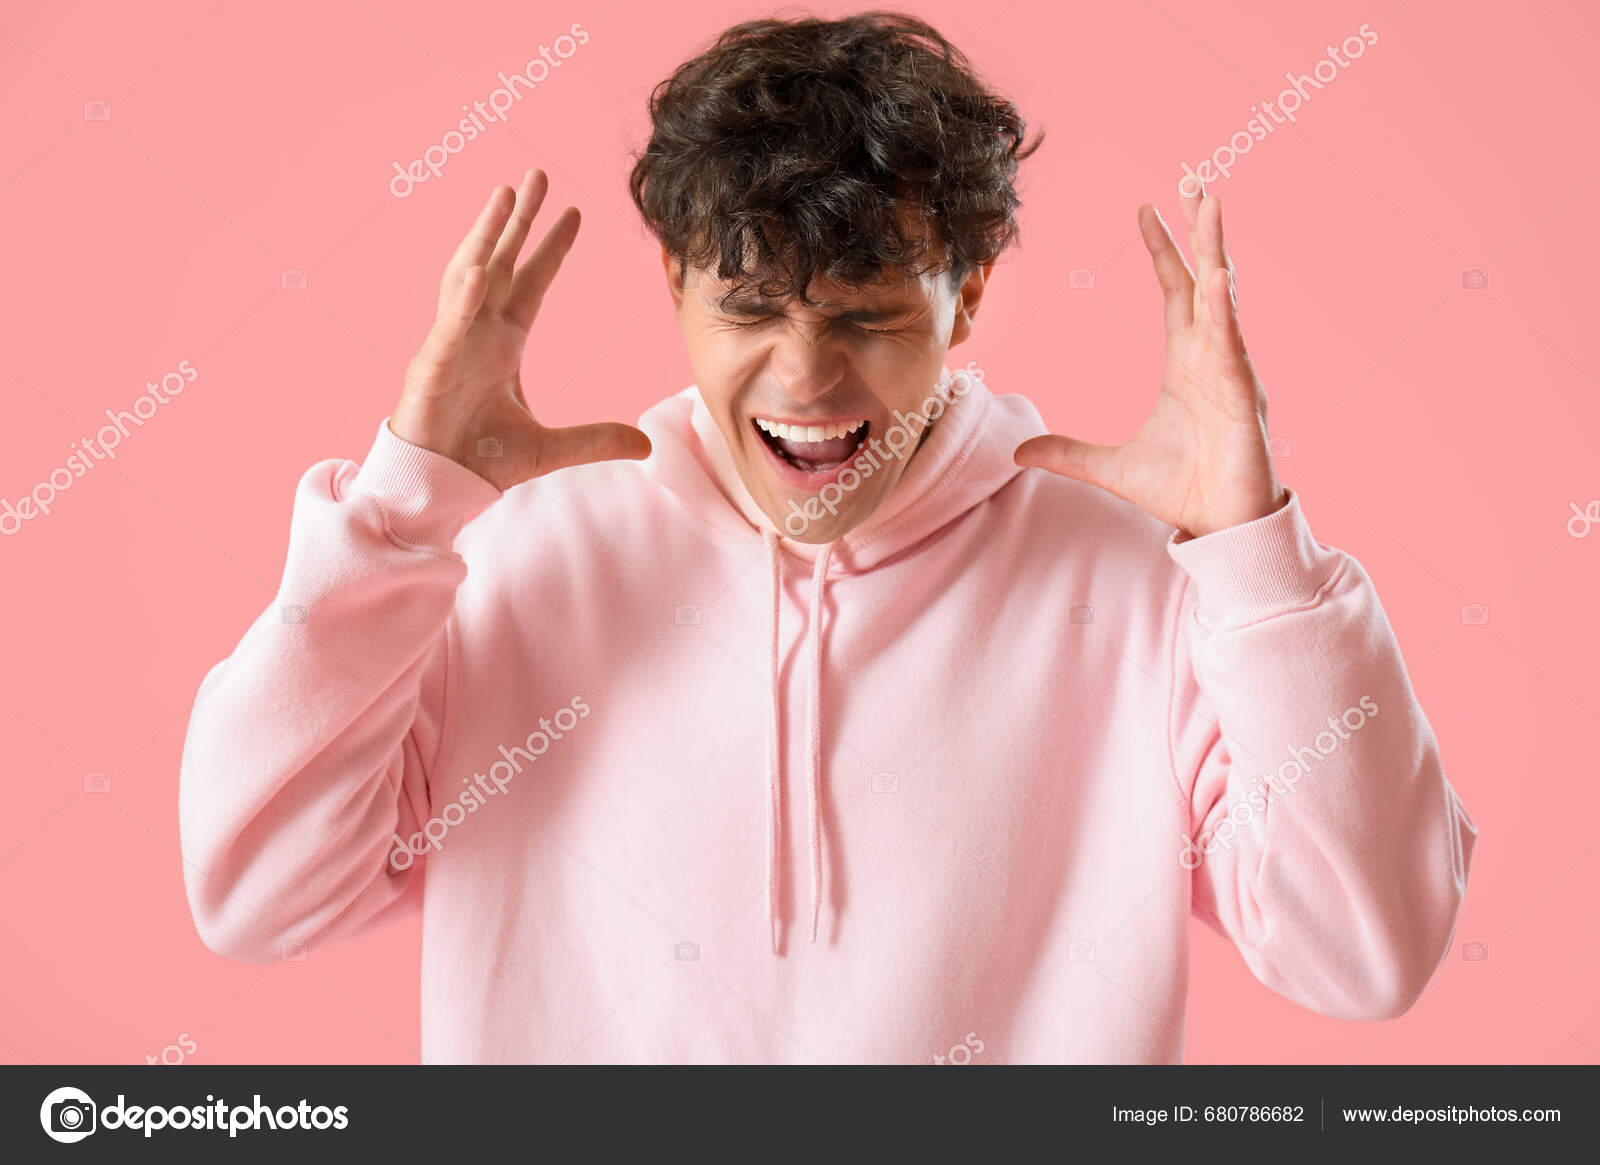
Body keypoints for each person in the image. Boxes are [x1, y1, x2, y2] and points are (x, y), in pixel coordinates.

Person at [179, 12, 1475, 1063]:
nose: (806, 381)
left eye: (864, 315)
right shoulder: (514, 557)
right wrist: (399, 514)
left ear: (966, 296)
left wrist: (1254, 556)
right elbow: (256, 896)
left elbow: (1368, 953)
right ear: (676, 286)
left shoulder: (1131, 579)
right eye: (747, 308)